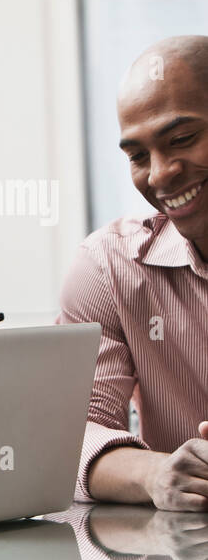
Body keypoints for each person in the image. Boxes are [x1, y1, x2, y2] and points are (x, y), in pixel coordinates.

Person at [58, 35, 208, 512]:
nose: (161, 175)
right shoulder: (108, 267)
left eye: (182, 139)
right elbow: (70, 435)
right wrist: (157, 472)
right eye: (138, 156)